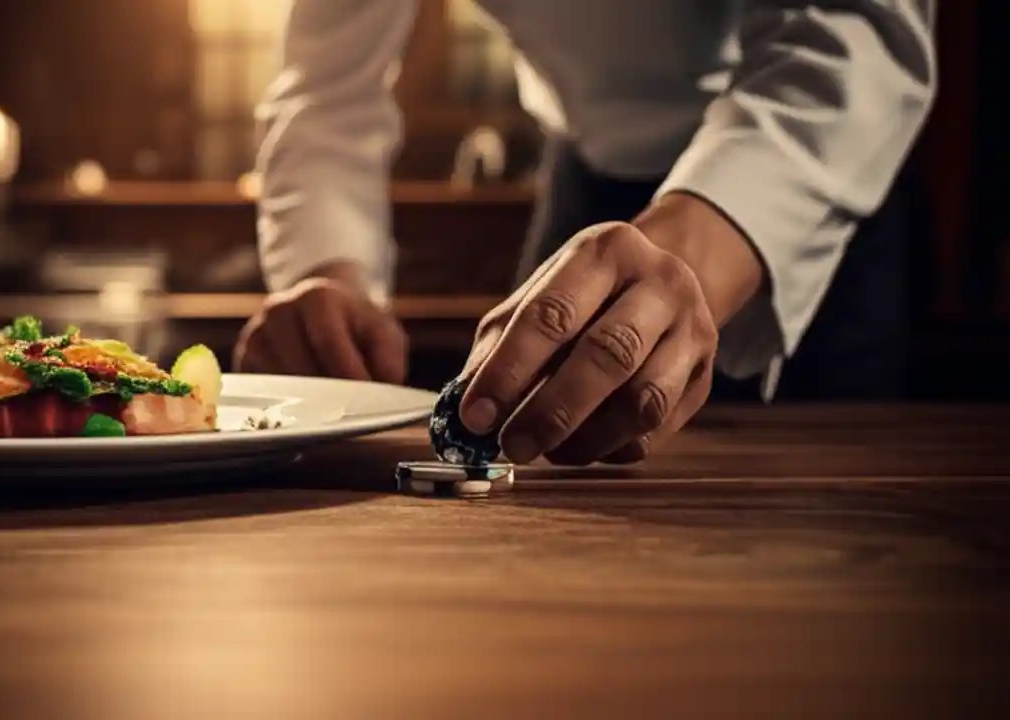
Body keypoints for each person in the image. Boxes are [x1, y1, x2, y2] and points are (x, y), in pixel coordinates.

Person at [235, 0, 937, 465]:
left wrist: (693, 251)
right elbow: (325, 90)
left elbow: (855, 36)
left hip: (800, 174)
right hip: (584, 171)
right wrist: (328, 273)